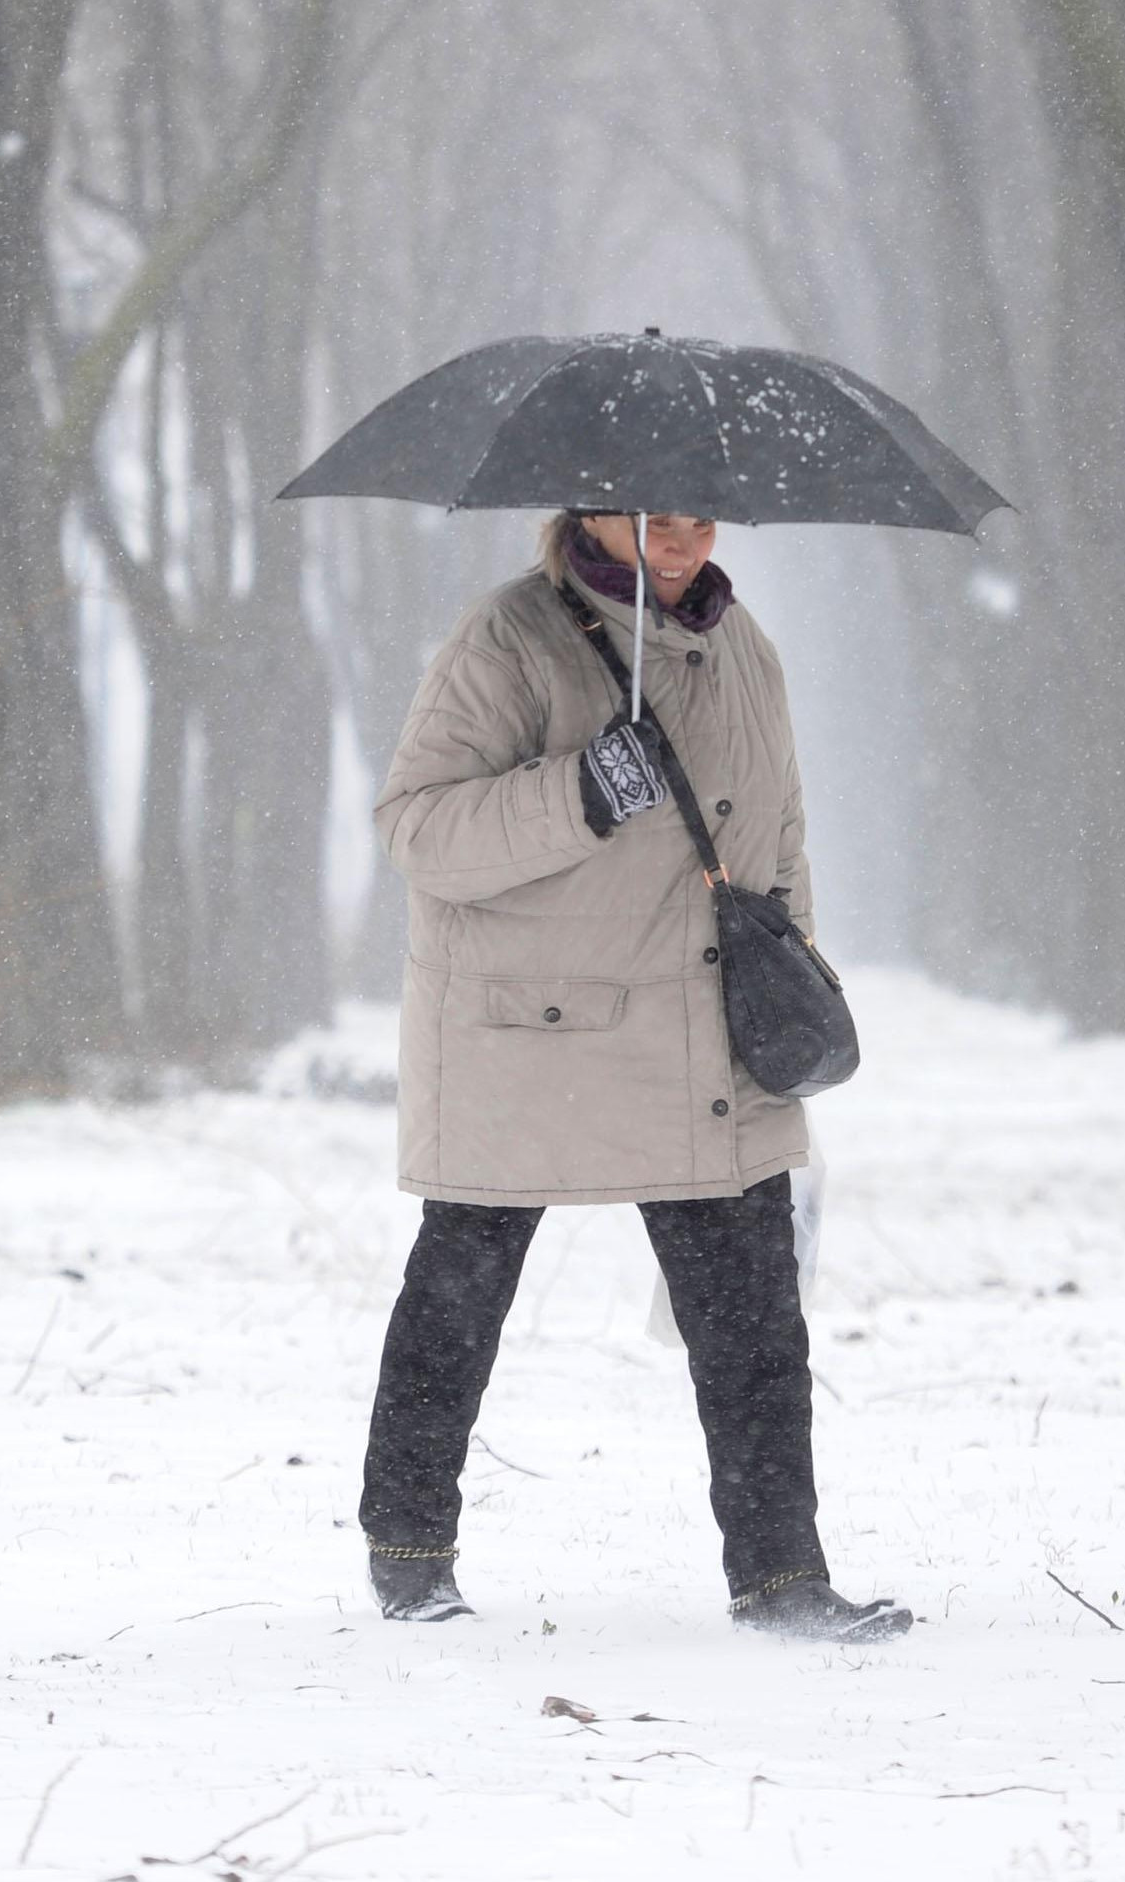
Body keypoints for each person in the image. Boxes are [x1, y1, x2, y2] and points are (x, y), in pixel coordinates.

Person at [359, 508, 911, 1644]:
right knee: (461, 1295)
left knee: (757, 1322)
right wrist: (580, 795)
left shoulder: (745, 647)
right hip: (526, 1031)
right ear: (590, 510)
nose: (678, 539)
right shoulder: (509, 638)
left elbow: (782, 835)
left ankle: (783, 1581)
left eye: (700, 516)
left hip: (708, 1031)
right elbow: (419, 830)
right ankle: (409, 1557)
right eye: (651, 514)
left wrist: (792, 979)